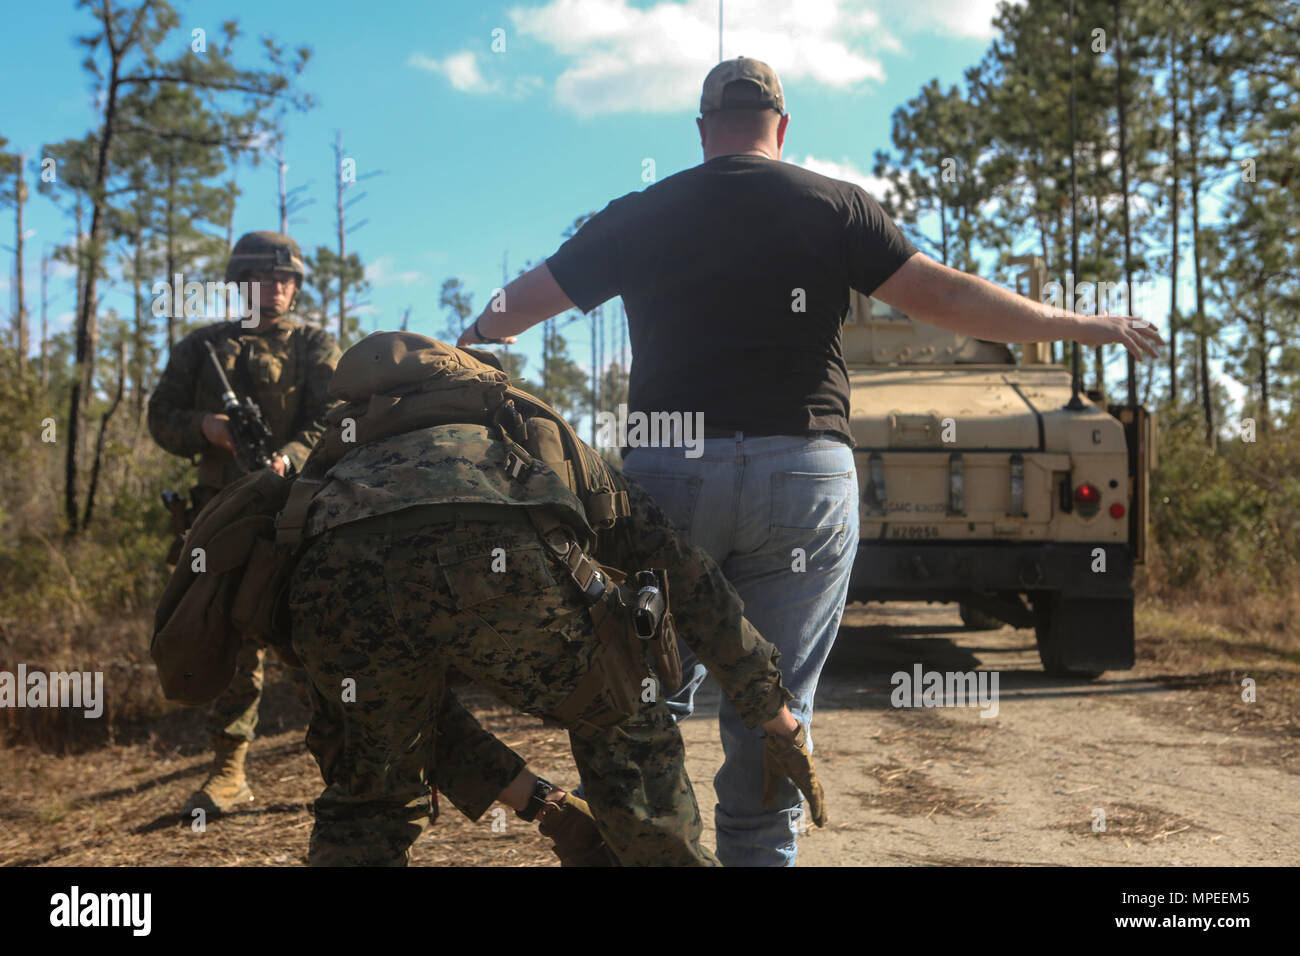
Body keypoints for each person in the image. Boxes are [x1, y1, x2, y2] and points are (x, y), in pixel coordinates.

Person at [456, 56, 1163, 865]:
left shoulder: (644, 212)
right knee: (776, 704)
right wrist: (1078, 324)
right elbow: (949, 298)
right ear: (781, 128)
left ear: (701, 131)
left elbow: (523, 305)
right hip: (804, 473)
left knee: (645, 694)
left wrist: (471, 339)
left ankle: (648, 851)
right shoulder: (837, 207)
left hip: (669, 477)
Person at [287, 332, 821, 866]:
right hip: (494, 564)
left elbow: (419, 725)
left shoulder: (338, 455)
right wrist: (774, 713)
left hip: (328, 584)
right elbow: (683, 574)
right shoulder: (520, 423)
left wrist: (549, 807)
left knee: (370, 795)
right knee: (621, 712)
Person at [148, 231, 340, 818]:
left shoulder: (313, 345)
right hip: (219, 519)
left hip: (297, 512)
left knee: (315, 641)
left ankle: (347, 770)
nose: (278, 288)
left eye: (288, 280)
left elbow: (339, 415)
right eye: (266, 277)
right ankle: (228, 771)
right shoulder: (202, 347)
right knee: (226, 643)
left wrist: (293, 456)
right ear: (240, 283)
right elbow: (160, 417)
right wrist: (204, 427)